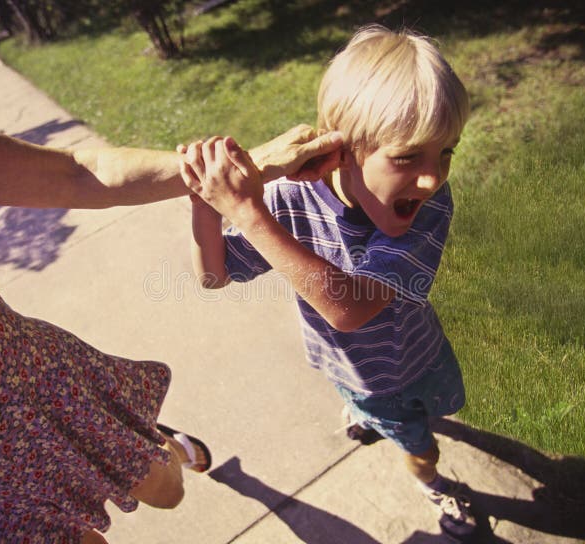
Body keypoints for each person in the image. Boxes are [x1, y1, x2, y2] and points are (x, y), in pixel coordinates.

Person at [0, 89, 342, 544]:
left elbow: (74, 174)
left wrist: (236, 171)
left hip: (32, 390)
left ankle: (164, 442)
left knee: (169, 493)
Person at [180, 25, 476, 540]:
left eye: (446, 151)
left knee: (435, 408)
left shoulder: (428, 207)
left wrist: (249, 213)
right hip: (361, 373)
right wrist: (207, 205)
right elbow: (212, 275)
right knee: (422, 446)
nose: (434, 177)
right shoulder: (286, 205)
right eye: (408, 157)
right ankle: (432, 486)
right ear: (341, 147)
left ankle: (368, 418)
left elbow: (352, 307)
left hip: (419, 351)